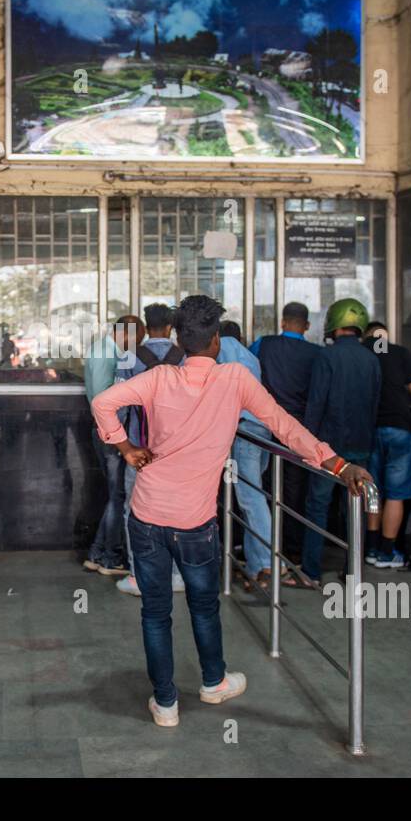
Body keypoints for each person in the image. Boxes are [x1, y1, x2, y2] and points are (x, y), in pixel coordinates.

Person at [91, 295, 371, 727]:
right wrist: (337, 463)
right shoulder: (236, 379)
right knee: (204, 606)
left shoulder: (160, 377)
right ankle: (213, 682)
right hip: (195, 522)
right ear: (216, 341)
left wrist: (126, 447)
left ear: (181, 341)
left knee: (155, 612)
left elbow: (102, 402)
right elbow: (284, 427)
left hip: (146, 514)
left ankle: (165, 704)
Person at [299, 299, 379, 588]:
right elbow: (374, 404)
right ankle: (352, 570)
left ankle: (311, 570)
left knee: (318, 506)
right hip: (361, 444)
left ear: (333, 322)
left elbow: (316, 402)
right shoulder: (372, 358)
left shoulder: (327, 357)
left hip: (328, 448)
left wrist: (306, 441)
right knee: (353, 509)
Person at [112, 304, 185, 596]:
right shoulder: (184, 357)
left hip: (139, 447)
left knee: (136, 511)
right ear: (170, 327)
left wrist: (121, 443)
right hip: (177, 448)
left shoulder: (130, 356)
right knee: (179, 510)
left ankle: (138, 576)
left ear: (146, 325)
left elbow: (117, 404)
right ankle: (177, 575)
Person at [219, 322, 290, 589]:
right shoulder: (250, 355)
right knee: (251, 497)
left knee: (250, 498)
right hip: (261, 429)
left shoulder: (222, 349)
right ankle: (256, 567)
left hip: (243, 431)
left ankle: (272, 563)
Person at [251, 302, 322, 563]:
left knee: (265, 485)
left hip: (265, 427)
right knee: (295, 489)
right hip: (300, 430)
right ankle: (293, 548)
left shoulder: (263, 344)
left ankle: (268, 544)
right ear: (306, 326)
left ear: (282, 322)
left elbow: (251, 375)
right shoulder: (316, 353)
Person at [83, 314, 143, 576]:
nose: (137, 347)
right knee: (118, 497)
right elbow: (102, 400)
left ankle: (98, 553)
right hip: (111, 435)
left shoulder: (106, 349)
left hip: (108, 433)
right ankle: (109, 557)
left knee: (115, 495)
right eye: (137, 340)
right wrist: (123, 441)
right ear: (127, 334)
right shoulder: (106, 353)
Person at [362, 321, 411, 569]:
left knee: (373, 490)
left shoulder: (363, 353)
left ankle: (370, 549)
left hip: (369, 429)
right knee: (396, 494)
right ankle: (387, 553)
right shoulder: (399, 352)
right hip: (399, 428)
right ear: (385, 336)